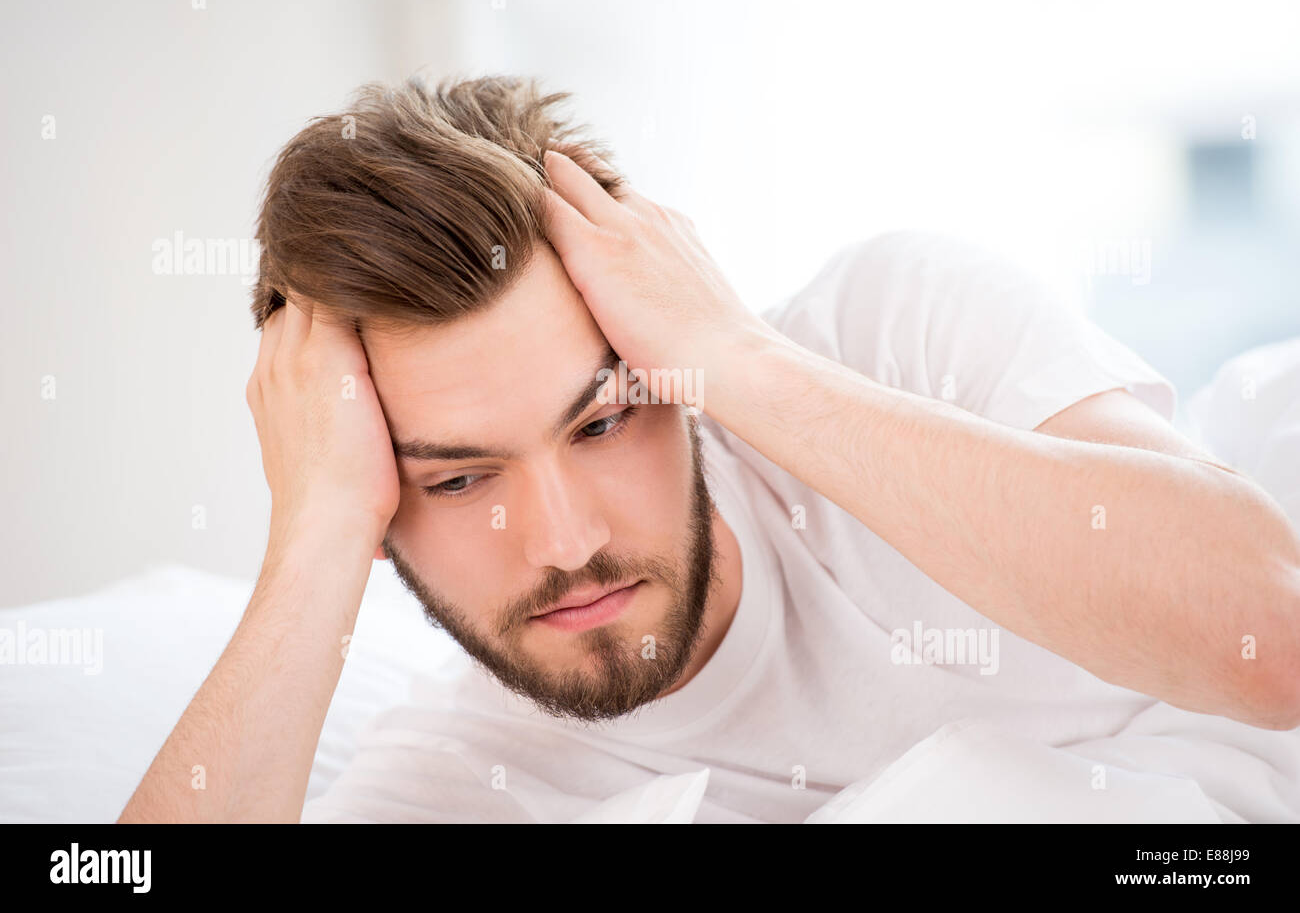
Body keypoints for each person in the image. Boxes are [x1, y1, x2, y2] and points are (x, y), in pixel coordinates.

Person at [119, 74, 1300, 824]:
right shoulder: (471, 776)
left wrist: (737, 360)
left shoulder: (889, 332)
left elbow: (1272, 639)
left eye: (603, 420)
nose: (567, 540)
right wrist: (308, 545)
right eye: (461, 478)